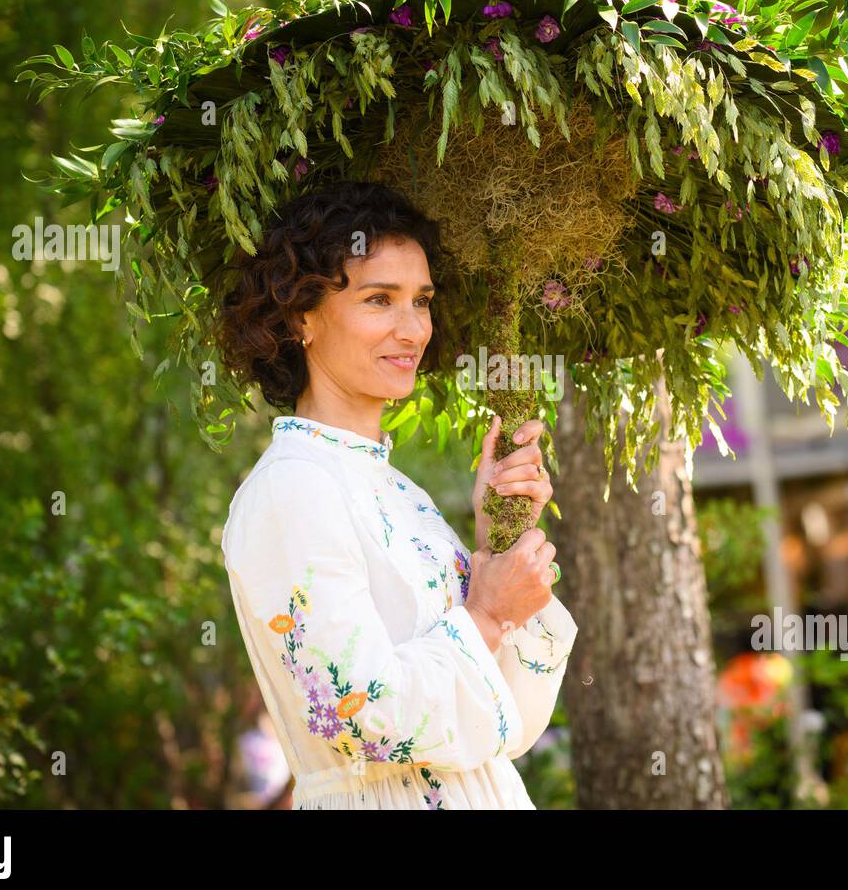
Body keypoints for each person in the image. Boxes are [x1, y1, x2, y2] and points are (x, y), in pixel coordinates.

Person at [217, 181, 578, 809]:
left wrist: (499, 545)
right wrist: (487, 613)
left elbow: (507, 727)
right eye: (379, 299)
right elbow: (358, 719)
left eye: (422, 301)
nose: (413, 330)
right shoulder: (290, 489)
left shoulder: (403, 494)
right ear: (301, 314)